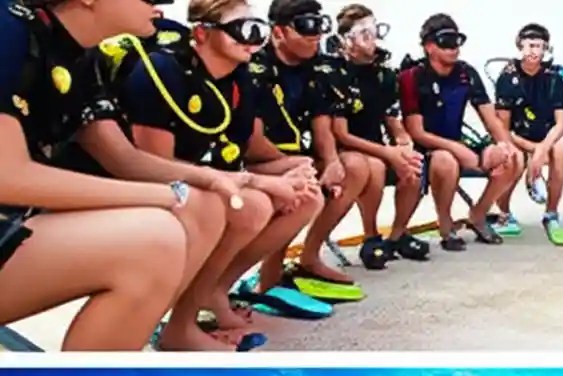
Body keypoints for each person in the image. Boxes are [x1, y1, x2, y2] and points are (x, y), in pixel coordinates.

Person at [0, 0, 230, 351]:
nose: (161, 4)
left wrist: (210, 180)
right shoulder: (8, 29)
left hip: (11, 225)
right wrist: (163, 196)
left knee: (201, 204)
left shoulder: (83, 56)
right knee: (154, 241)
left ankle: (145, 340)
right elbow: (8, 177)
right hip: (11, 213)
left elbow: (123, 158)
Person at [119, 0, 326, 350]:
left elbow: (238, 154)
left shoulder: (237, 81)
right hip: (156, 186)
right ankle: (179, 327)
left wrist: (294, 172)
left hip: (206, 180)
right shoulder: (163, 70)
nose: (253, 39)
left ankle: (214, 291)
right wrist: (260, 181)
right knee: (252, 206)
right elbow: (153, 167)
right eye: (242, 29)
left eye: (256, 28)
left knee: (306, 193)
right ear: (202, 32)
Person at [250, 0, 370, 292]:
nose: (316, 35)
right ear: (278, 32)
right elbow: (251, 142)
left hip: (295, 157)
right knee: (298, 183)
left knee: (354, 167)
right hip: (256, 159)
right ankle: (267, 277)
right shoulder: (256, 67)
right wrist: (297, 166)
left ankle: (309, 256)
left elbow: (322, 121)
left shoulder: (316, 67)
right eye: (306, 26)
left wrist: (330, 162)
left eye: (320, 25)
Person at [399, 13, 523, 252]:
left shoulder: (466, 73)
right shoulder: (412, 77)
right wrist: (455, 148)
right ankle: (445, 224)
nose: (454, 48)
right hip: (425, 147)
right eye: (446, 42)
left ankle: (478, 214)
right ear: (429, 46)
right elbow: (416, 132)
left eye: (458, 41)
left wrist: (504, 143)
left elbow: (490, 119)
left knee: (512, 157)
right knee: (446, 160)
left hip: (458, 140)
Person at [329, 4, 428, 269]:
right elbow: (340, 133)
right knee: (373, 166)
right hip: (344, 148)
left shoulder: (384, 75)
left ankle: (397, 234)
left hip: (376, 146)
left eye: (375, 31)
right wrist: (387, 153)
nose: (372, 38)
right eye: (364, 33)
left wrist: (404, 145)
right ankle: (371, 235)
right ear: (346, 39)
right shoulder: (334, 73)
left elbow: (393, 121)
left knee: (414, 164)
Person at [493, 22, 563, 246]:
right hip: (516, 138)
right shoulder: (507, 78)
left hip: (546, 138)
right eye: (530, 45)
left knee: (560, 151)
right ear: (520, 46)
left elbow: (561, 123)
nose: (534, 51)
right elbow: (502, 128)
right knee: (514, 158)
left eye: (540, 46)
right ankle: (504, 213)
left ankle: (551, 213)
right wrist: (532, 151)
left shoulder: (553, 78)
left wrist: (542, 149)